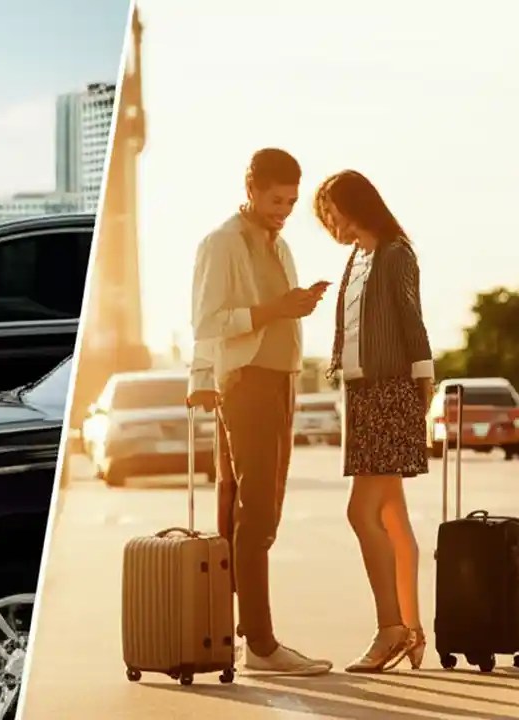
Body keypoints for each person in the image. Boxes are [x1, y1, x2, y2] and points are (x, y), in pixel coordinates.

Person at [187, 148, 332, 675]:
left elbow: (272, 314)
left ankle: (245, 634)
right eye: (276, 200)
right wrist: (278, 308)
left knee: (263, 510)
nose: (284, 210)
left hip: (282, 380)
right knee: (256, 513)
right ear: (251, 188)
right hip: (247, 383)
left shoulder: (281, 243)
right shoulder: (222, 242)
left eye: (291, 202)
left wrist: (296, 305)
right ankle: (263, 645)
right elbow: (207, 320)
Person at [313, 170, 432, 672]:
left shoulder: (394, 253)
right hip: (362, 396)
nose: (329, 225)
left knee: (361, 514)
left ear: (351, 205)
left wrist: (421, 388)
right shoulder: (356, 259)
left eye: (330, 214)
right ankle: (412, 627)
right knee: (390, 517)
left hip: (392, 392)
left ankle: (391, 630)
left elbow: (412, 319)